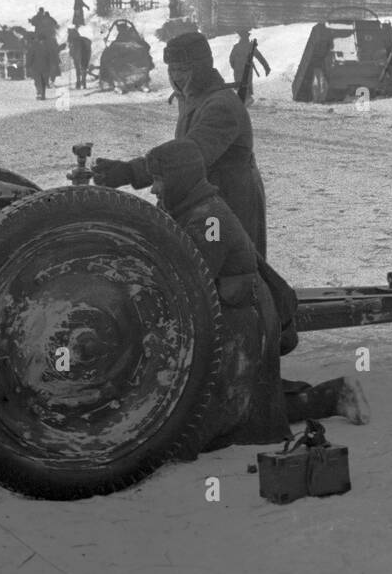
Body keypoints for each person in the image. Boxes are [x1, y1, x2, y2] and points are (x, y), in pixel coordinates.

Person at [145, 140, 369, 452]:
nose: (154, 189)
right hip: (225, 313)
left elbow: (188, 284)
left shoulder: (209, 219)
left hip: (243, 321)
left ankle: (332, 396)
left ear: (180, 178)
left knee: (222, 418)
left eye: (160, 180)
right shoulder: (185, 208)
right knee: (239, 403)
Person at [93, 31, 269, 258]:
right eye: (172, 69)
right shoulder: (193, 97)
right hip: (206, 199)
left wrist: (131, 171)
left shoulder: (220, 105)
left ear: (202, 67)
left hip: (228, 200)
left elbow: (189, 154)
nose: (177, 76)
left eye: (184, 69)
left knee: (230, 270)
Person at [229, 28, 271, 104]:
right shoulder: (250, 46)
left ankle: (244, 100)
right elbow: (260, 57)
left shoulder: (237, 47)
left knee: (240, 85)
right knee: (246, 85)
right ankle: (246, 99)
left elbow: (231, 60)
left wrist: (235, 67)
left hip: (239, 70)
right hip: (246, 70)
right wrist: (266, 68)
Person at [28, 33, 52, 100]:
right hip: (45, 67)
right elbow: (50, 57)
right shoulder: (47, 47)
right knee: (43, 81)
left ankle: (39, 93)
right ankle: (43, 95)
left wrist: (28, 65)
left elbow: (30, 56)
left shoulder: (34, 47)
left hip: (36, 67)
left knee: (37, 81)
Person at [67, 24, 92, 89]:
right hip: (86, 50)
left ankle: (78, 82)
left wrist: (71, 52)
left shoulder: (72, 38)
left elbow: (69, 44)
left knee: (77, 67)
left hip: (77, 53)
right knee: (84, 67)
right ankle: (84, 82)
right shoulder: (84, 38)